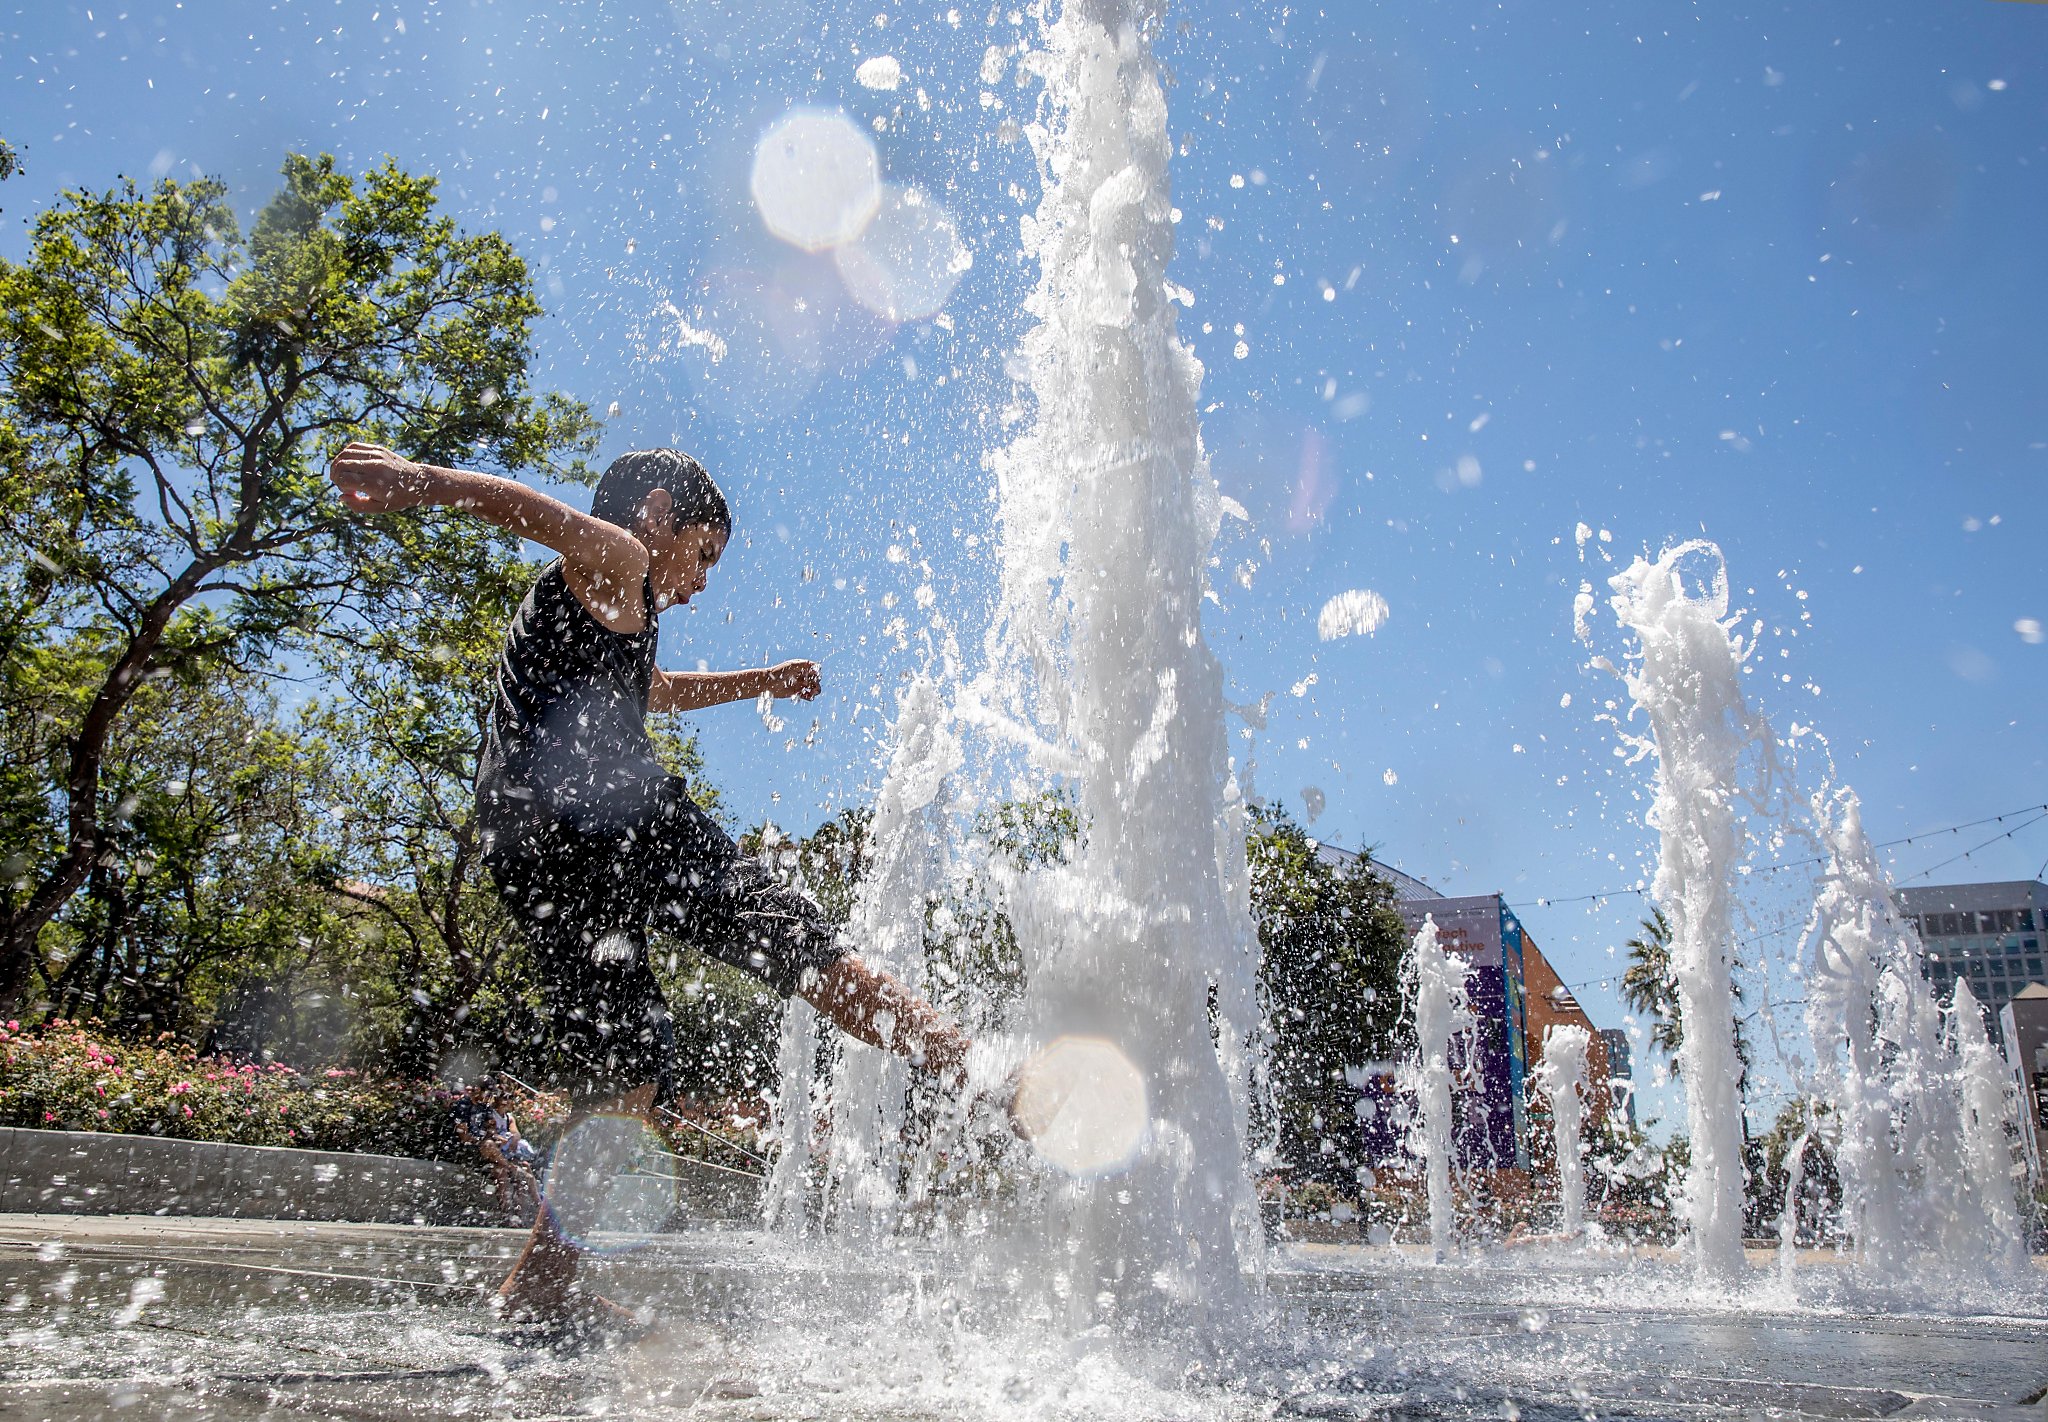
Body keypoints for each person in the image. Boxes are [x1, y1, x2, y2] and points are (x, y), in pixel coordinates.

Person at [328, 442, 976, 1329]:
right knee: (787, 935)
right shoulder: (620, 558)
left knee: (626, 1070)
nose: (703, 582)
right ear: (661, 514)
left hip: (535, 848)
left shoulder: (606, 613)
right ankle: (975, 1067)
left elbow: (657, 690)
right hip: (609, 817)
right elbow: (533, 513)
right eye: (705, 554)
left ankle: (540, 1292)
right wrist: (430, 484)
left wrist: (767, 680)